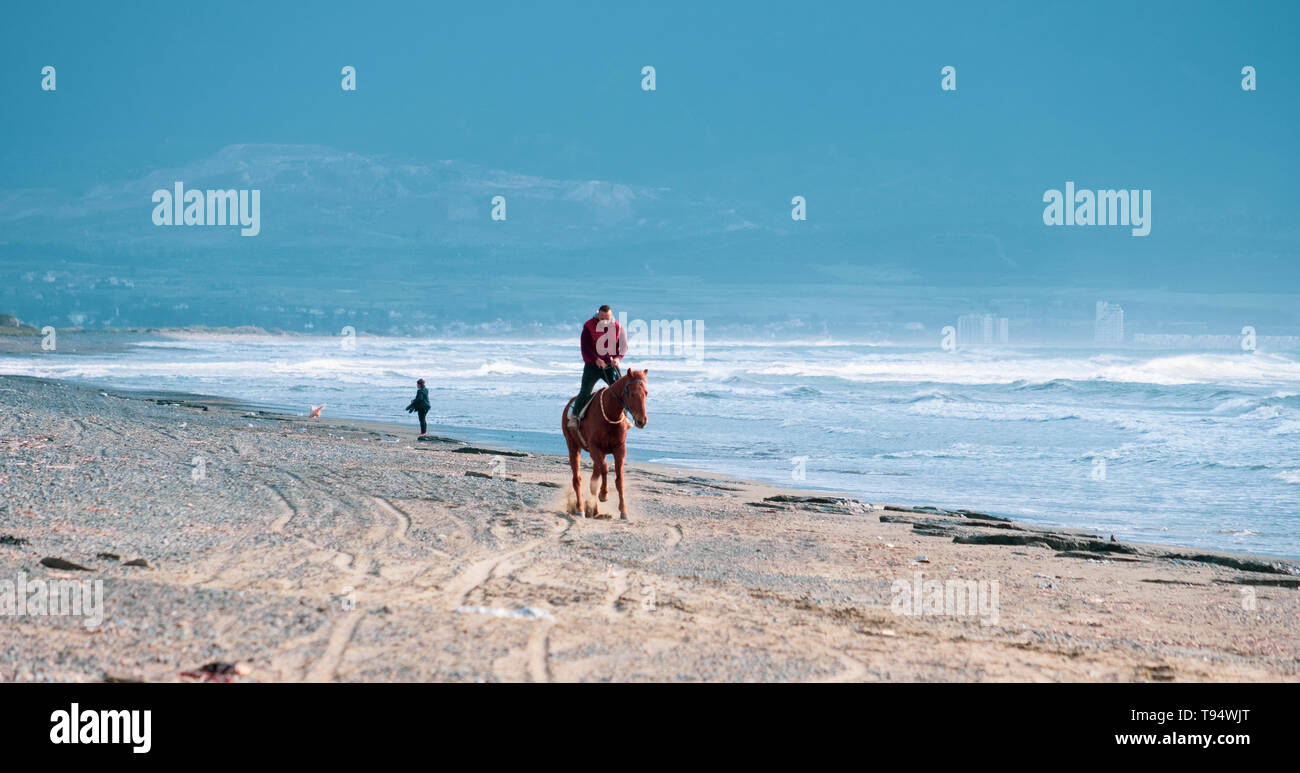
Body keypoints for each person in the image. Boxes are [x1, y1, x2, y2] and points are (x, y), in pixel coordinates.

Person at [569, 305, 628, 428]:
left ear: (611, 316)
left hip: (610, 365)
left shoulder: (617, 326)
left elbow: (623, 346)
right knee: (585, 391)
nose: (605, 321)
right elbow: (585, 348)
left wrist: (618, 358)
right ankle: (575, 417)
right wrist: (596, 359)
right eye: (602, 318)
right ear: (598, 316)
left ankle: (625, 418)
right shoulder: (589, 326)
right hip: (592, 366)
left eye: (607, 318)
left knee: (621, 392)